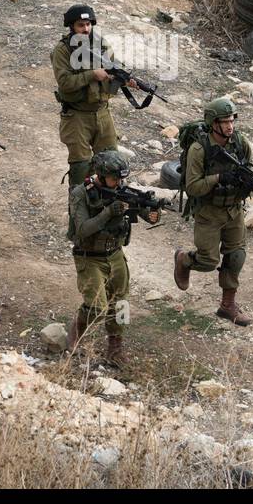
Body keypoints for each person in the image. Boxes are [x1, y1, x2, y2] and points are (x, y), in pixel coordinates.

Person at [66, 150, 157, 367]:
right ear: (101, 174)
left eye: (121, 179)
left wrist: (151, 212)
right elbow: (82, 230)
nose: (118, 183)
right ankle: (76, 331)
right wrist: (108, 212)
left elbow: (145, 213)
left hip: (115, 254)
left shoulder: (121, 190)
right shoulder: (81, 194)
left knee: (121, 303)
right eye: (114, 178)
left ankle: (116, 347)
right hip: (90, 257)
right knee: (97, 308)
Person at [173, 98, 253, 326]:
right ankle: (183, 259)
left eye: (231, 121)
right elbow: (193, 187)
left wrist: (249, 181)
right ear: (213, 123)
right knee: (208, 261)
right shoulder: (199, 149)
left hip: (234, 210)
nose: (230, 126)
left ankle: (227, 306)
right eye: (224, 122)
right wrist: (218, 177)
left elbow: (251, 167)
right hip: (209, 212)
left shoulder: (240, 142)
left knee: (236, 256)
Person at [51, 4, 129, 196]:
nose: (85, 29)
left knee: (112, 164)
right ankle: (78, 220)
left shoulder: (100, 44)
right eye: (80, 25)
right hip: (77, 115)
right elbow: (65, 82)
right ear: (71, 26)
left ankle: (108, 214)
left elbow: (115, 66)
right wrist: (92, 75)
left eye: (88, 24)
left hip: (102, 112)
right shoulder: (63, 50)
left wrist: (123, 78)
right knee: (81, 169)